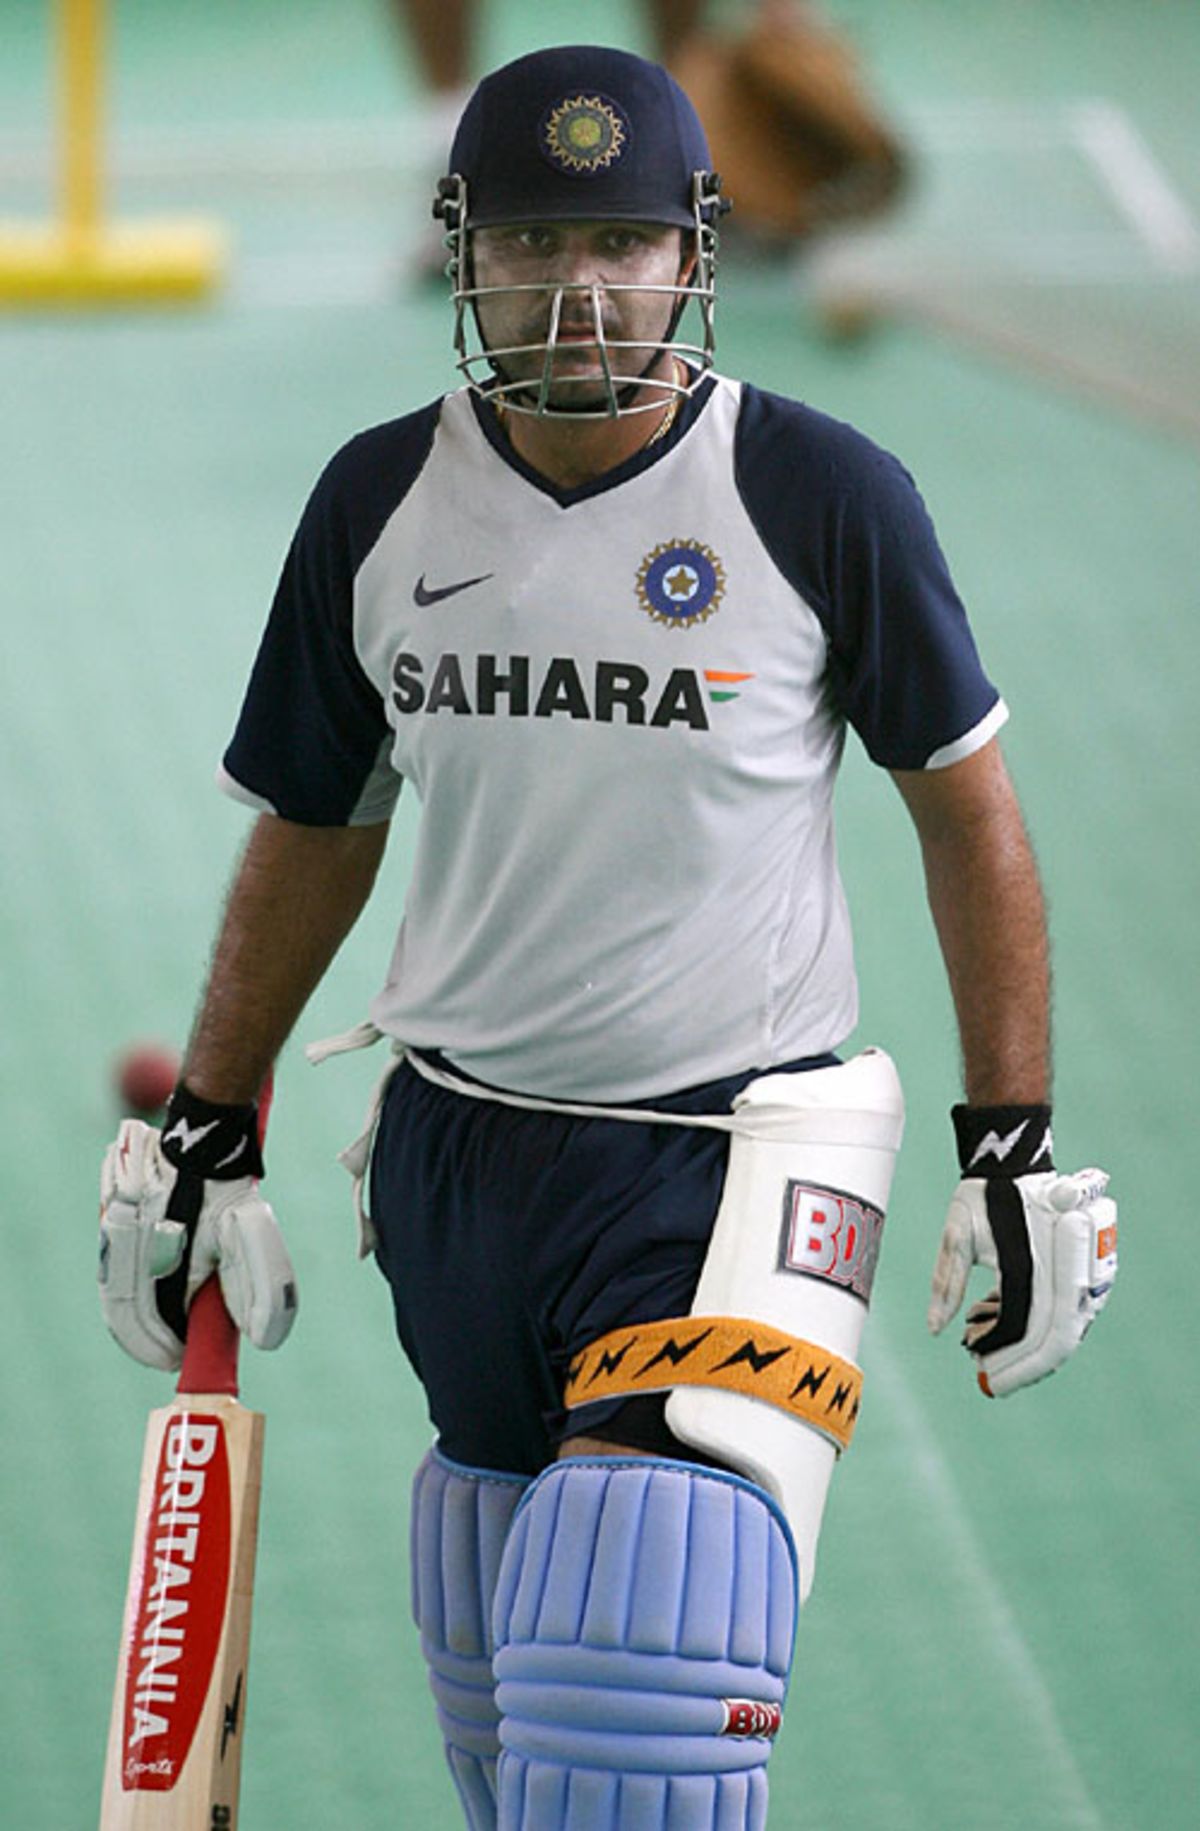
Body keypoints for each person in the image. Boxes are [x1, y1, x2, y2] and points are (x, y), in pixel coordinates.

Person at [97, 45, 1117, 1831]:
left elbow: (968, 811)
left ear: (694, 253)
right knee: (514, 1729)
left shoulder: (820, 496)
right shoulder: (374, 503)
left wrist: (1011, 1140)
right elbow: (317, 829)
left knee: (636, 1683)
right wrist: (212, 1119)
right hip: (455, 1155)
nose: (579, 289)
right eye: (534, 240)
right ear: (466, 254)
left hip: (723, 1160)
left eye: (625, 244)